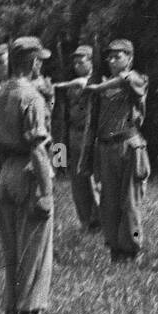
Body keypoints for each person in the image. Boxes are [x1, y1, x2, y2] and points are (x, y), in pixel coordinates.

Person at [0, 37, 55, 314]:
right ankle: (29, 313)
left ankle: (10, 309)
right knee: (35, 247)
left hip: (4, 173)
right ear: (35, 62)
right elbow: (38, 148)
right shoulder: (31, 97)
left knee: (11, 249)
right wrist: (47, 192)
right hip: (28, 170)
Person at [79, 39, 150, 264]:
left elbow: (127, 79)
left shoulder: (137, 79)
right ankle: (115, 249)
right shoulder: (103, 85)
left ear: (130, 58)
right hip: (106, 148)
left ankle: (133, 250)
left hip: (129, 146)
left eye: (118, 56)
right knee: (108, 203)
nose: (112, 60)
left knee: (130, 203)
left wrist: (98, 87)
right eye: (109, 57)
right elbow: (92, 123)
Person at [56, 46, 100, 233]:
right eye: (74, 62)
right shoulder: (70, 88)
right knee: (78, 183)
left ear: (91, 62)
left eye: (81, 61)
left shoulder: (97, 82)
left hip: (93, 136)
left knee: (95, 181)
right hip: (74, 135)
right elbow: (61, 121)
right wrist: (60, 156)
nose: (77, 65)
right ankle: (85, 223)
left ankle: (100, 222)